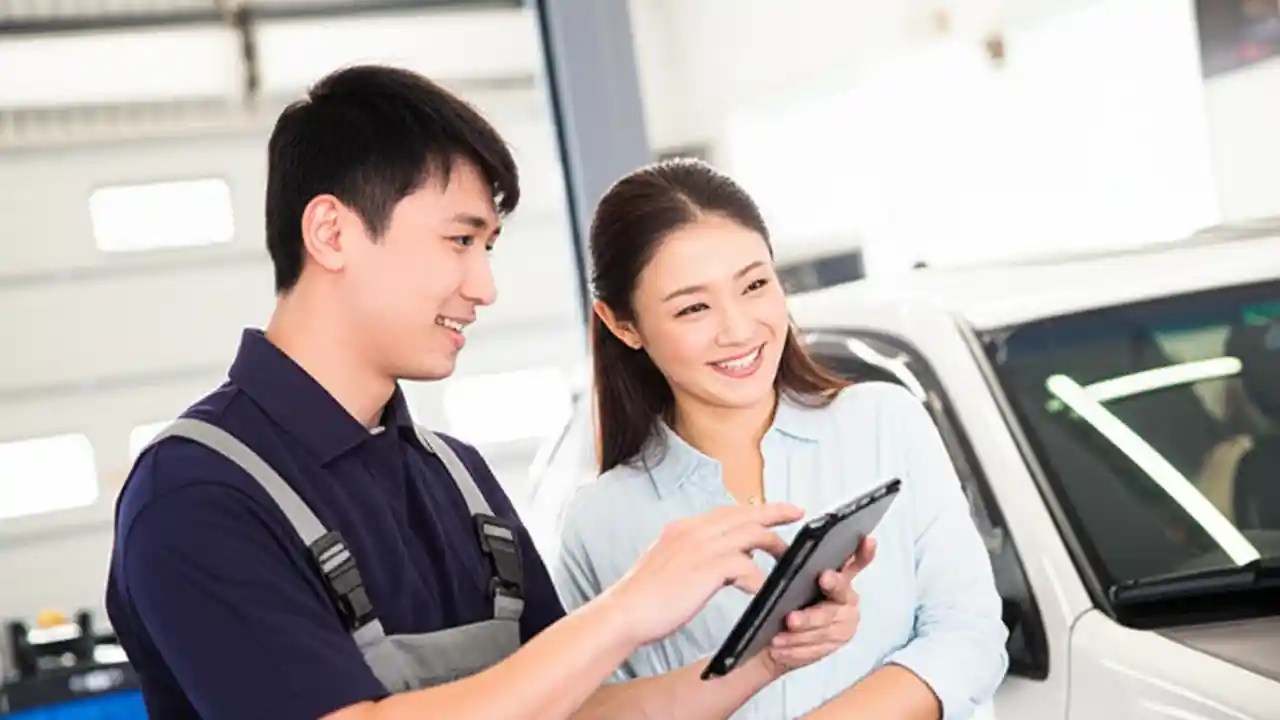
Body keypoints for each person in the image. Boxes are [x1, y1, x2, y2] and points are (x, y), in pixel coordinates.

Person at [103, 66, 867, 719]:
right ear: (332, 233)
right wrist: (625, 611)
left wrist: (759, 663)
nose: (485, 286)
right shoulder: (194, 493)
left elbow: (567, 708)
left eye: (490, 248)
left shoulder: (455, 476)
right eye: (460, 241)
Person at [552, 158, 1010, 719]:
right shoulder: (601, 520)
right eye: (694, 307)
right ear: (623, 325)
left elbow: (970, 638)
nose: (739, 328)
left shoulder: (886, 422)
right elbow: (583, 709)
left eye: (754, 285)